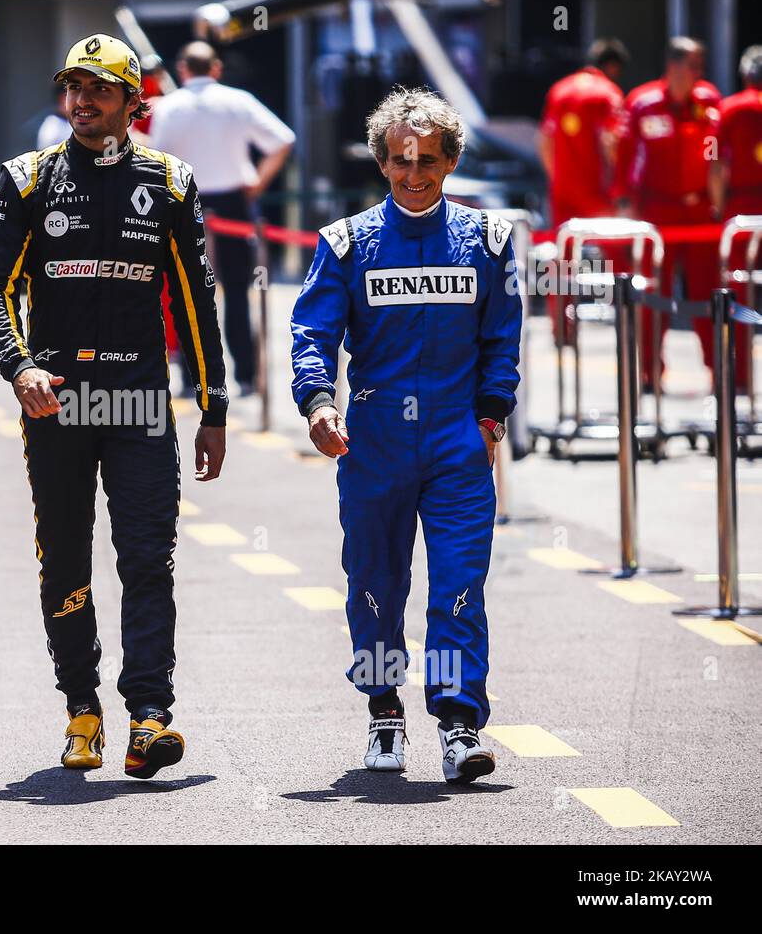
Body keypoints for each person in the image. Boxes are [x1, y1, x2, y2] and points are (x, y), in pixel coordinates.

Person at [0, 33, 227, 780]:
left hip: (142, 403)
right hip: (57, 406)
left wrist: (213, 408)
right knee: (67, 563)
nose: (81, 104)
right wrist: (18, 367)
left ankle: (149, 718)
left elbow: (197, 299)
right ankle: (81, 710)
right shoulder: (28, 178)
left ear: (131, 102)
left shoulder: (171, 180)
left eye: (99, 91)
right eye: (72, 90)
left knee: (149, 559)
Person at [290, 88, 522, 784]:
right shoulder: (347, 241)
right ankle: (384, 711)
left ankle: (458, 723)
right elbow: (311, 332)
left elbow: (502, 339)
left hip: (456, 442)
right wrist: (318, 403)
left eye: (426, 160)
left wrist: (490, 414)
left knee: (457, 589)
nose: (412, 174)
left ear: (451, 160)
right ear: (381, 163)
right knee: (375, 586)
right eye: (398, 161)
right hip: (375, 439)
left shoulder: (487, 240)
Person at [150, 41, 294, 396]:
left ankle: (189, 377)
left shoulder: (170, 108)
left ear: (183, 69)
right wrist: (258, 183)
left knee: (188, 292)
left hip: (188, 202)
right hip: (233, 203)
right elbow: (283, 139)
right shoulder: (237, 100)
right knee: (238, 293)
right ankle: (244, 376)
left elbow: (156, 160)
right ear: (215, 68)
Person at [614, 38, 721, 388]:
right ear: (673, 66)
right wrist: (624, 202)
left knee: (709, 295)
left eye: (700, 66)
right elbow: (625, 154)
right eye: (693, 65)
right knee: (650, 295)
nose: (698, 73)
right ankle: (649, 371)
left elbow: (717, 154)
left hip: (701, 212)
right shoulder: (643, 104)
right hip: (657, 213)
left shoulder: (709, 103)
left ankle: (721, 371)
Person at [537, 40, 626, 346]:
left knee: (562, 260)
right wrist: (619, 187)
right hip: (599, 192)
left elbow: (545, 143)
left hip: (563, 189)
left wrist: (558, 178)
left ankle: (560, 327)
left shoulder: (559, 90)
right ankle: (629, 323)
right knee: (622, 256)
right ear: (612, 67)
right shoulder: (609, 93)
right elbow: (611, 143)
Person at [710, 44, 762, 390]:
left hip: (741, 211)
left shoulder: (727, 110)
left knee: (737, 296)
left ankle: (737, 377)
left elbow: (713, 159)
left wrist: (716, 206)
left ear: (744, 75)